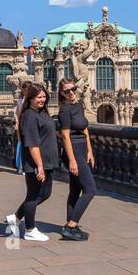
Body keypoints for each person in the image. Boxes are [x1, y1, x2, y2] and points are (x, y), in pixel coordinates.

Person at [6, 82, 58, 242]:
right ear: (31, 99)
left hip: (47, 161)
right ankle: (29, 229)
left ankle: (16, 218)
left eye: (44, 96)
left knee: (45, 194)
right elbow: (32, 143)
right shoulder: (29, 115)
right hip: (36, 163)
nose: (42, 100)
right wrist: (39, 166)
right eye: (39, 97)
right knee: (33, 195)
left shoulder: (41, 112)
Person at [56, 78, 96, 241]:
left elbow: (85, 129)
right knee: (90, 190)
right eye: (67, 91)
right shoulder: (64, 110)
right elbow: (65, 136)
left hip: (81, 151)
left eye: (73, 89)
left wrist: (90, 151)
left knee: (75, 190)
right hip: (73, 152)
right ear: (62, 94)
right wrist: (72, 160)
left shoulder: (78, 105)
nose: (71, 93)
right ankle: (72, 225)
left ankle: (70, 225)